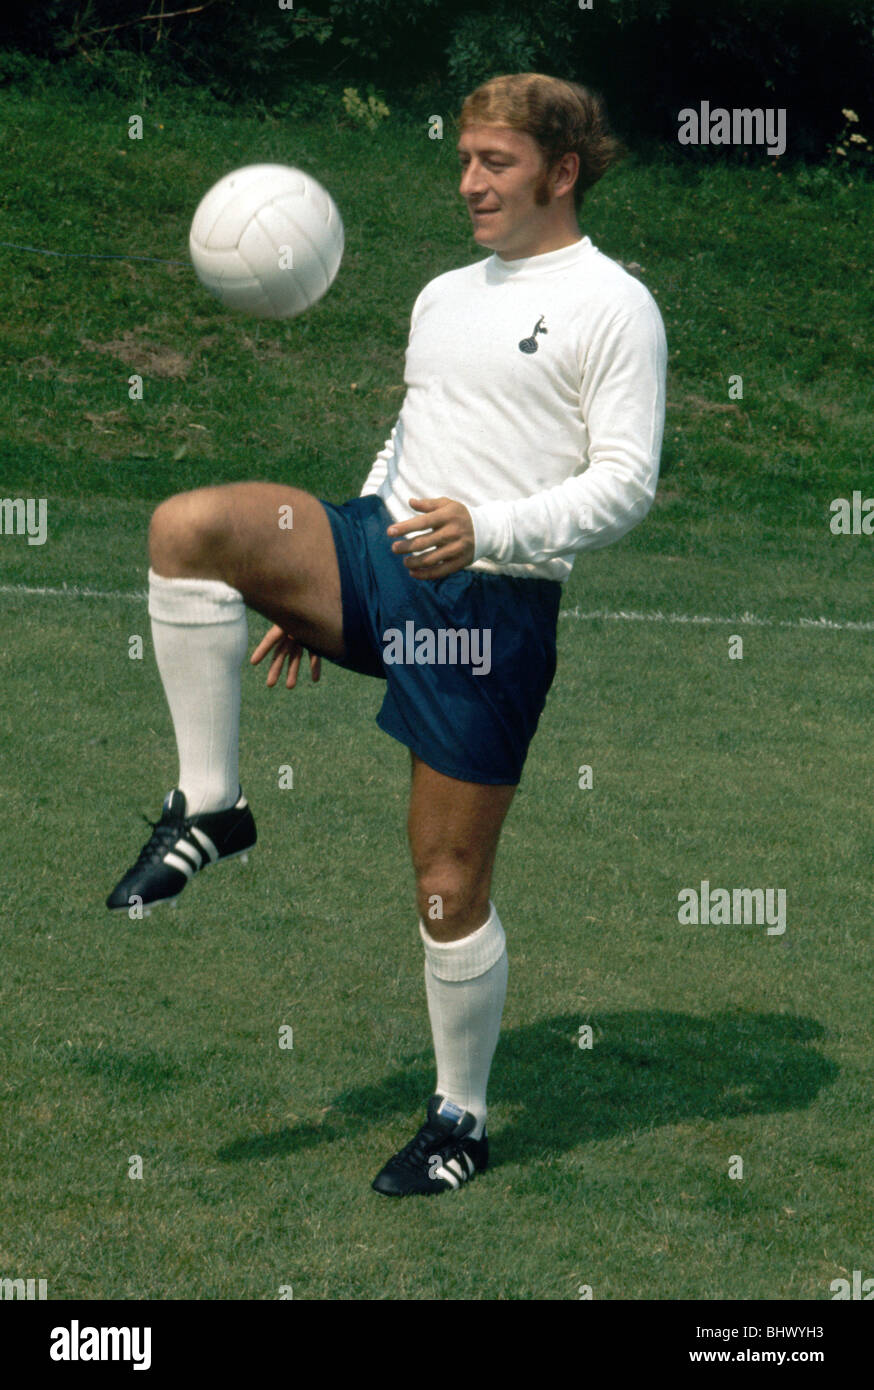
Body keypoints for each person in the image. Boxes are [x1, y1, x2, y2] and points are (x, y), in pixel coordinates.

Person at [107, 72, 667, 1197]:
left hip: (491, 605)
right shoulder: (444, 292)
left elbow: (627, 483)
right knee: (192, 529)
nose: (469, 181)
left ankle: (460, 1118)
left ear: (561, 171)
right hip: (384, 552)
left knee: (445, 884)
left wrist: (488, 530)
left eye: (494, 162)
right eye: (463, 158)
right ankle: (211, 803)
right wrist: (324, 590)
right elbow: (411, 432)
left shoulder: (615, 304)